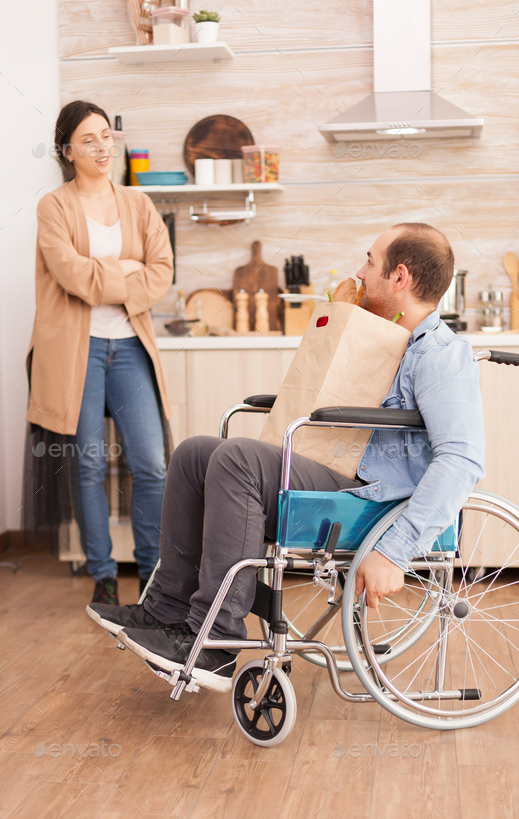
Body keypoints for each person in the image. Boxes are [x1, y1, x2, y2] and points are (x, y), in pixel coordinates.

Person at [86, 223, 485, 692]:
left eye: (370, 262)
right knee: (195, 454)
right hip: (342, 473)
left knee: (238, 459)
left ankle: (214, 642)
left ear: (399, 278)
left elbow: (461, 460)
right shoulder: (378, 335)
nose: (360, 270)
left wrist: (393, 552)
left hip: (374, 501)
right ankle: (166, 610)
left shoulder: (440, 354)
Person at [24, 100, 174, 606]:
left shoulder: (138, 203)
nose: (102, 147)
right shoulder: (54, 206)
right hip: (76, 351)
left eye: (106, 136)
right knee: (88, 465)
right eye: (88, 139)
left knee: (150, 464)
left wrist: (119, 271)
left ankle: (152, 574)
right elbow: (71, 275)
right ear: (67, 150)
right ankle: (104, 575)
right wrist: (126, 268)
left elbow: (162, 271)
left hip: (130, 348)